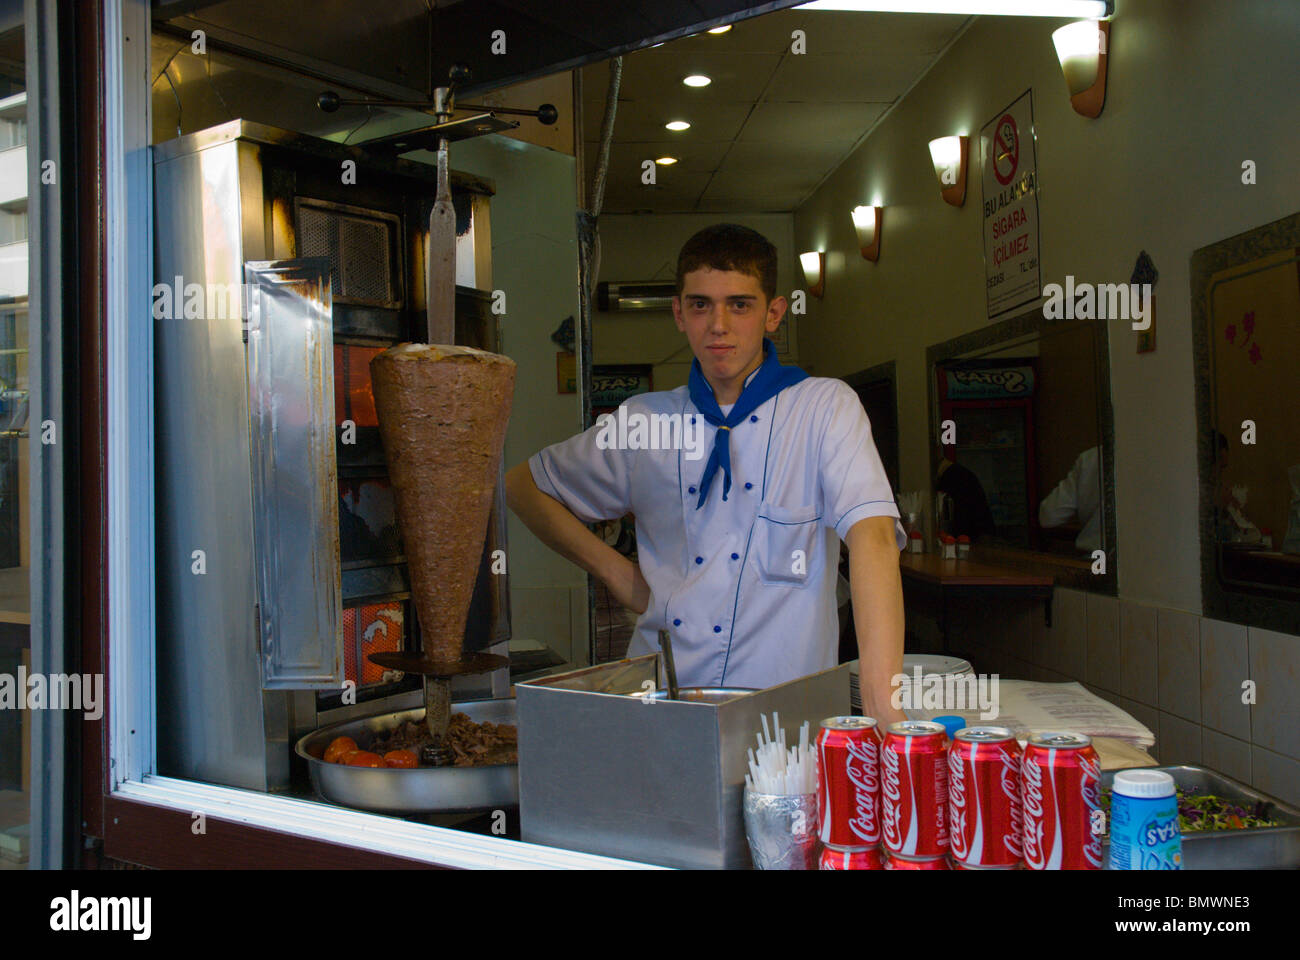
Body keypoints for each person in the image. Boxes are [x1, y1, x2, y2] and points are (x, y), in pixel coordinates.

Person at [505, 223, 907, 725]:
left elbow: (873, 538)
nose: (719, 324)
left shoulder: (824, 409)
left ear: (773, 314)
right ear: (678, 313)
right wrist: (616, 572)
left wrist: (886, 715)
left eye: (740, 304)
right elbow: (524, 485)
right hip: (662, 706)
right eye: (700, 305)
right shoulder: (644, 422)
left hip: (782, 719)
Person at [1038, 445, 1102, 551]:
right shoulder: (1137, 457)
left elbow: (1049, 516)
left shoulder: (1090, 458)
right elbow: (1048, 517)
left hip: (1093, 558)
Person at [933, 446, 996, 541]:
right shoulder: (959, 472)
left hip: (972, 533)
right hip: (980, 529)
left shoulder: (951, 476)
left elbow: (961, 513)